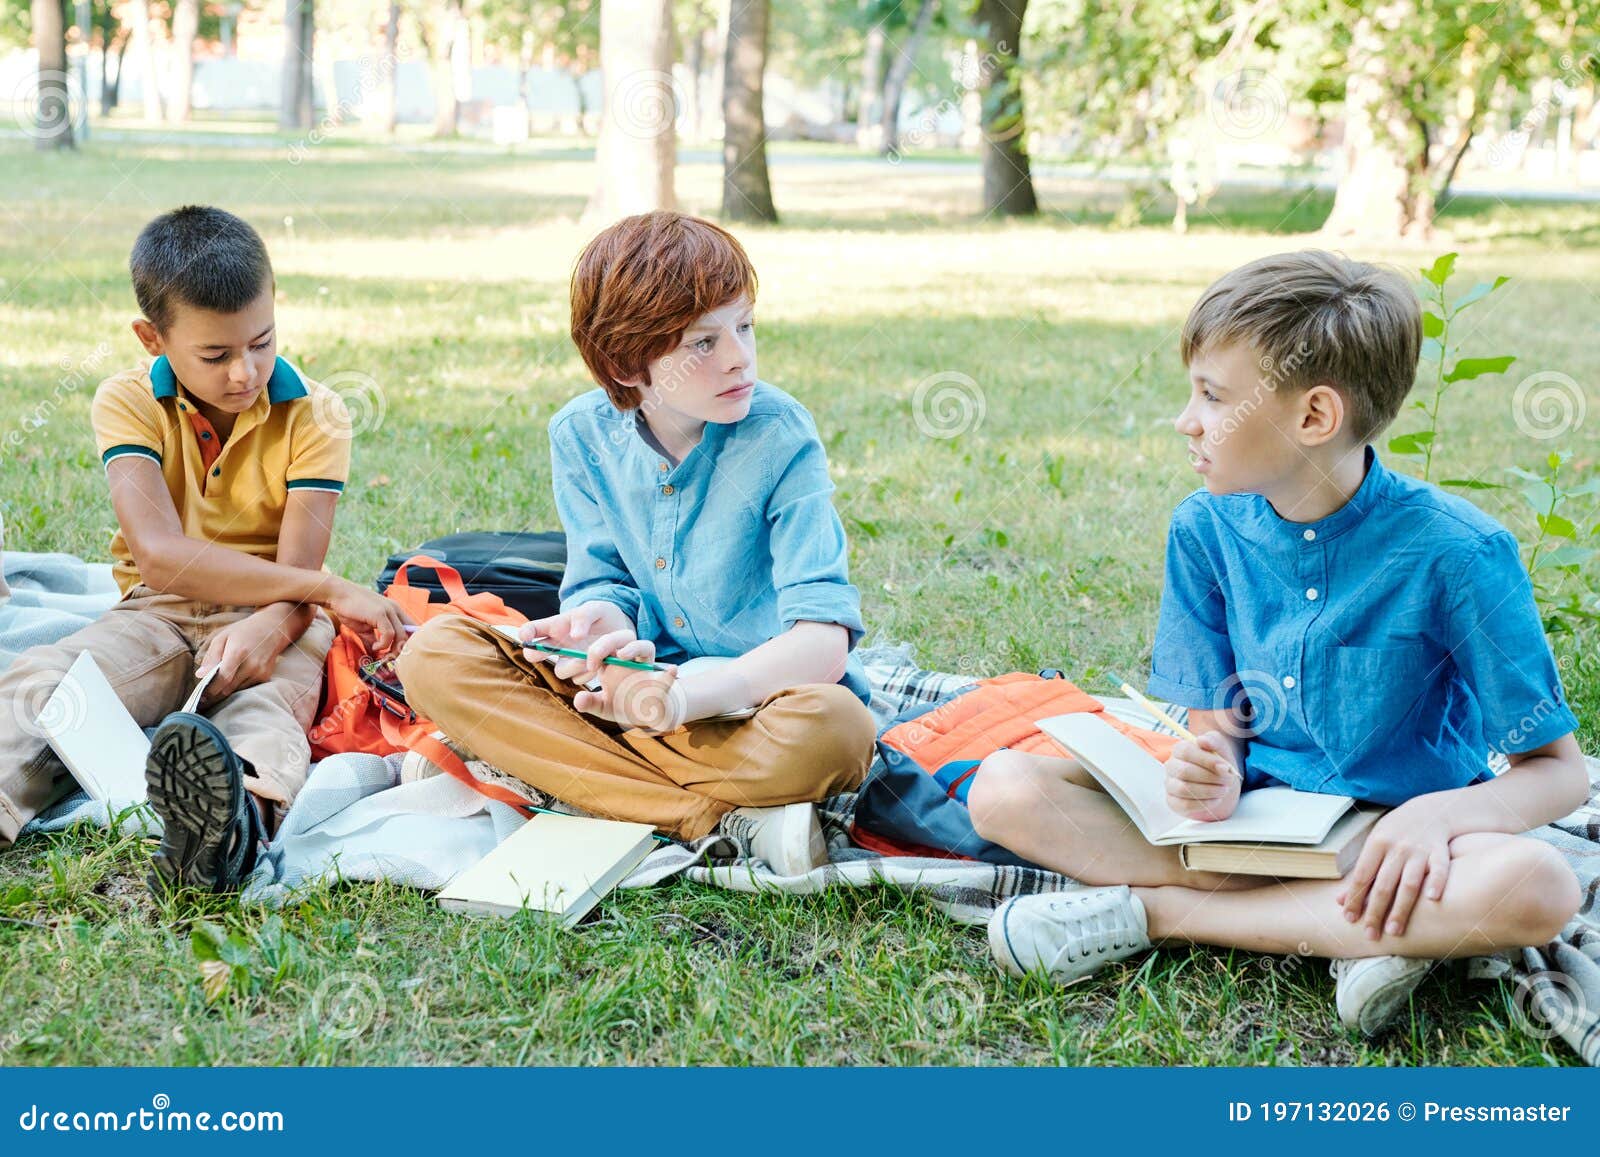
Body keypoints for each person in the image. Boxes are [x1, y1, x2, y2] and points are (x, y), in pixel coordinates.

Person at [968, 250, 1586, 1035]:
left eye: (1211, 395)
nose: (1184, 419)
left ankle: (1159, 916)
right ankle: (1361, 935)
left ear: (1314, 417)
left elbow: (1558, 776)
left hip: (1389, 842)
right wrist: (1214, 766)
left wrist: (1434, 819)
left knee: (1537, 884)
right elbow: (1217, 720)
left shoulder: (1460, 553)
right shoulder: (1204, 527)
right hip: (1248, 830)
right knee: (1005, 788)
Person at [398, 211, 877, 876]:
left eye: (744, 326)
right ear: (628, 363)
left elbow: (823, 644)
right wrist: (603, 621)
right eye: (702, 344)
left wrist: (684, 700)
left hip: (756, 702)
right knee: (433, 653)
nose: (739, 355)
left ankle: (552, 768)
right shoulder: (580, 434)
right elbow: (602, 582)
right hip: (629, 693)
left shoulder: (782, 436)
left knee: (840, 731)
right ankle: (715, 818)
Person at [0, 205, 409, 894]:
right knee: (50, 684)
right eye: (215, 355)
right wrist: (335, 593)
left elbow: (296, 576)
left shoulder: (317, 413)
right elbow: (158, 555)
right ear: (152, 338)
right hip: (161, 608)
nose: (245, 372)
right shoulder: (127, 401)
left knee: (265, 715)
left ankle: (227, 833)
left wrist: (272, 624)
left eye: (262, 341)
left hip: (281, 613)